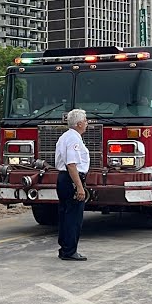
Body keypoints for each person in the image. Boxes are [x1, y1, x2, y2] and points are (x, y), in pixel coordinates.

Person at [54, 108, 90, 261]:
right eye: (86, 121)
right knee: (74, 217)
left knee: (65, 214)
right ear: (80, 123)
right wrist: (80, 187)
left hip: (63, 178)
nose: (87, 124)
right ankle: (70, 250)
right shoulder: (74, 139)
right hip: (71, 178)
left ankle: (64, 248)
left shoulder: (65, 136)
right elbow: (71, 164)